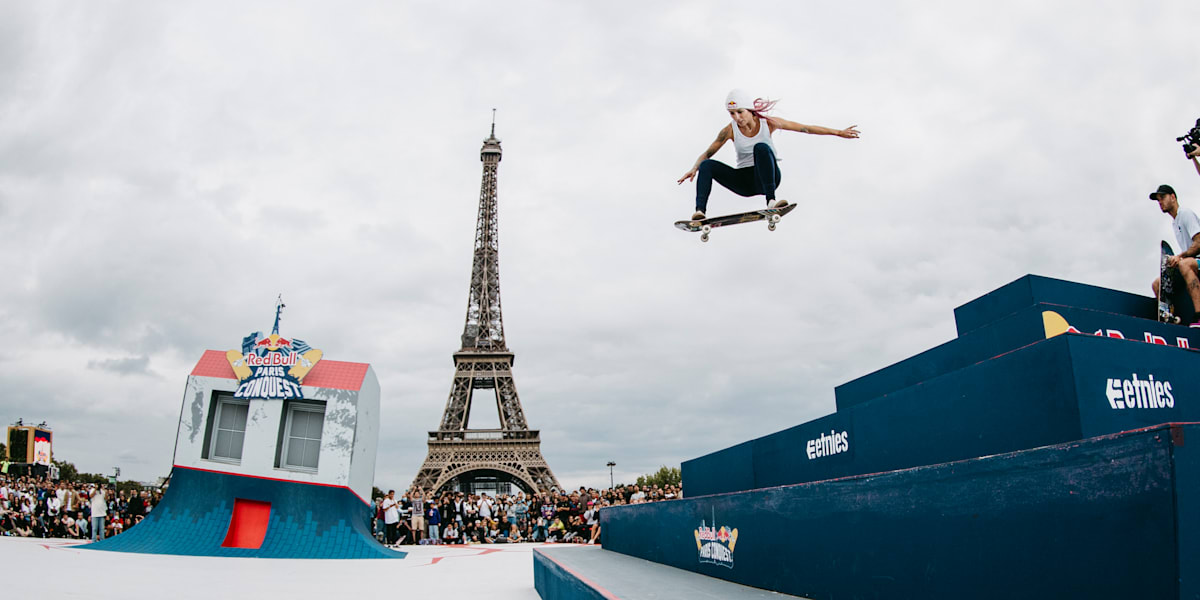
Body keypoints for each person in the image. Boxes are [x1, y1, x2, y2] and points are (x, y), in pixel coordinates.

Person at [677, 88, 860, 220]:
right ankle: (700, 212)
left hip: (768, 177)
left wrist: (838, 132)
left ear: (749, 110)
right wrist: (694, 168)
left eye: (740, 112)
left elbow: (806, 128)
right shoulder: (729, 130)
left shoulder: (769, 123)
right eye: (732, 114)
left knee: (761, 147)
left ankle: (771, 201)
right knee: (706, 165)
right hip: (745, 183)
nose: (737, 118)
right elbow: (708, 152)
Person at [1150, 184, 1200, 325]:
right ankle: (1171, 318)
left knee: (1184, 264)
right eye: (1158, 200)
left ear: (1173, 197)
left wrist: (1180, 257)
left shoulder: (1186, 214)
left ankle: (1199, 315)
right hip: (1190, 261)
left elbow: (1199, 243)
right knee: (1157, 284)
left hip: (1197, 260)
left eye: (1163, 198)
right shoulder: (1175, 222)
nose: (1160, 202)